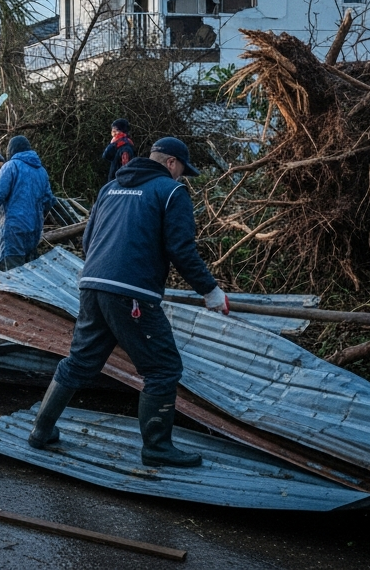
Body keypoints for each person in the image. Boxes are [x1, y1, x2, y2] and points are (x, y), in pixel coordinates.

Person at [27, 137, 227, 468]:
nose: (181, 178)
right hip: (132, 294)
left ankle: (40, 430)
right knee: (163, 369)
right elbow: (181, 248)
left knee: (79, 362)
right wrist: (211, 291)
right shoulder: (171, 192)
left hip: (92, 285)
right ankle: (157, 448)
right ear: (171, 163)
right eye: (181, 171)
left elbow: (89, 240)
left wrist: (104, 277)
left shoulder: (110, 188)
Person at [0, 136, 54, 271]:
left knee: (14, 272)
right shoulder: (41, 171)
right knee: (29, 269)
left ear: (11, 151)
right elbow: (48, 200)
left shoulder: (11, 167)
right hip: (35, 228)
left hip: (14, 227)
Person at [102, 118, 135, 182]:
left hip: (119, 183)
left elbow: (126, 169)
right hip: (115, 182)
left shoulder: (125, 148)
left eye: (115, 131)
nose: (113, 134)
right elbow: (106, 156)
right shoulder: (117, 146)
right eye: (112, 131)